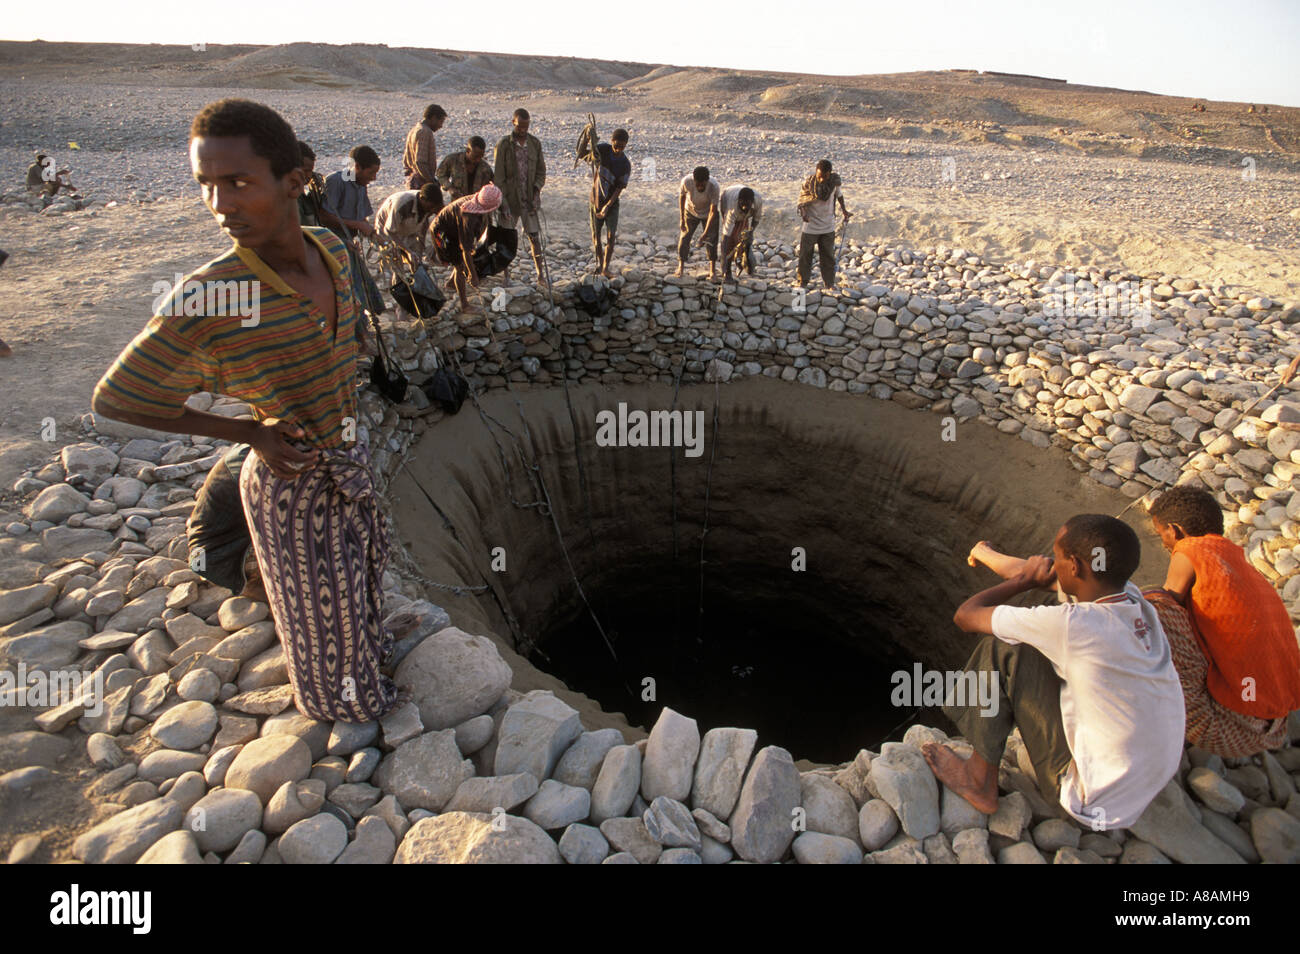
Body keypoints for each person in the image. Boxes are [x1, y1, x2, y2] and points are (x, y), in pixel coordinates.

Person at [91, 98, 406, 723]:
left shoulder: (332, 249)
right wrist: (247, 430)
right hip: (290, 477)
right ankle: (345, 721)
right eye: (206, 186)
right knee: (327, 647)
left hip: (348, 456)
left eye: (238, 182)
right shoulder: (216, 292)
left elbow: (344, 334)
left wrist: (352, 352)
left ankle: (364, 666)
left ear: (294, 183)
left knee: (362, 582)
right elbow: (119, 397)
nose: (220, 205)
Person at [922, 516, 1185, 831]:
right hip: (1139, 786)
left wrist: (1023, 583)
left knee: (1006, 648)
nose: (1050, 563)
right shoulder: (1133, 599)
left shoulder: (1075, 626)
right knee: (1038, 624)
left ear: (1074, 565)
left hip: (1088, 802)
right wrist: (985, 553)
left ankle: (977, 780)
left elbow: (966, 616)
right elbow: (1044, 575)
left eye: (1056, 556)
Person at [1143, 485, 1300, 756]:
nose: (1164, 544)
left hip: (1230, 725)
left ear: (1175, 530)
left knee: (1152, 607)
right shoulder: (1236, 559)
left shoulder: (1189, 549)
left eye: (1162, 535)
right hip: (1273, 718)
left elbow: (1166, 605)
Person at [494, 108, 548, 287]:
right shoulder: (503, 145)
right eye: (520, 127)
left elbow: (541, 172)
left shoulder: (534, 144)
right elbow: (499, 178)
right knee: (506, 239)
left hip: (529, 200)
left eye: (526, 126)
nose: (523, 130)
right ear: (513, 123)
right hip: (509, 200)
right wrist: (504, 204)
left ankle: (540, 275)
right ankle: (506, 276)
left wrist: (536, 191)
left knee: (534, 237)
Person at [430, 183, 501, 314]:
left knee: (464, 260)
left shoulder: (479, 200)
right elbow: (465, 251)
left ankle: (451, 284)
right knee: (459, 265)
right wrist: (473, 275)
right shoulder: (469, 217)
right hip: (442, 232)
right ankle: (465, 305)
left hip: (454, 228)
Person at [796, 159, 850, 289]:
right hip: (810, 226)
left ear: (829, 174)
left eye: (824, 177)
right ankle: (802, 282)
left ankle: (829, 283)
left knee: (828, 256)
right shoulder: (808, 183)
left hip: (828, 226)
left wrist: (844, 211)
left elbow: (839, 196)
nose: (821, 180)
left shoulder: (834, 183)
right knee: (805, 256)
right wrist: (804, 214)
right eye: (819, 176)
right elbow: (802, 201)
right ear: (816, 172)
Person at [589, 128, 631, 278]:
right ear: (612, 141)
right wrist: (590, 141)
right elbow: (586, 156)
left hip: (611, 202)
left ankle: (606, 267)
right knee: (596, 236)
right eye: (616, 145)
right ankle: (600, 265)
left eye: (622, 146)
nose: (618, 149)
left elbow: (619, 188)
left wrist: (607, 207)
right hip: (596, 199)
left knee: (610, 236)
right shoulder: (603, 150)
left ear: (626, 145)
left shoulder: (625, 164)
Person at [322, 145, 380, 246]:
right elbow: (325, 217)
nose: (374, 178)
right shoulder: (336, 181)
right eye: (371, 173)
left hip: (348, 240)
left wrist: (380, 239)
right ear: (357, 167)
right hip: (330, 240)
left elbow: (362, 219)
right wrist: (358, 225)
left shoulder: (361, 185)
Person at [675, 166, 720, 280]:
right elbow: (682, 197)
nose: (700, 186)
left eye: (702, 185)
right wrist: (682, 219)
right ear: (694, 180)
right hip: (690, 211)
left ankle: (712, 269)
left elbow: (713, 211)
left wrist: (705, 234)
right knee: (685, 237)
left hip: (708, 213)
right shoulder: (686, 181)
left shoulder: (714, 186)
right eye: (697, 184)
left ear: (707, 181)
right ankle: (681, 266)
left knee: (711, 240)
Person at [374, 184, 441, 259]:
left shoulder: (431, 202)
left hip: (408, 229)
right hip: (387, 228)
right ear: (422, 199)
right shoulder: (403, 205)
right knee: (392, 257)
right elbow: (389, 231)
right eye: (430, 207)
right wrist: (408, 251)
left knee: (415, 258)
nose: (432, 210)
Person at [719, 185, 762, 282]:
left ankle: (742, 261)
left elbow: (756, 218)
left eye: (747, 205)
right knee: (730, 240)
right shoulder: (732, 208)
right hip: (727, 198)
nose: (744, 207)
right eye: (742, 204)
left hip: (743, 216)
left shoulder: (757, 200)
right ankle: (728, 272)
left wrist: (750, 232)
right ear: (739, 201)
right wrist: (724, 256)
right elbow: (726, 235)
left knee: (744, 239)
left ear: (752, 202)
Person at [403, 103, 447, 196]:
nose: (441, 126)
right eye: (441, 122)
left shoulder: (414, 130)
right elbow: (420, 162)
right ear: (434, 118)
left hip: (412, 178)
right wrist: (431, 182)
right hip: (420, 181)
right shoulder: (425, 132)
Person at [436, 136, 494, 202]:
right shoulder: (453, 160)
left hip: (477, 206)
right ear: (468, 150)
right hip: (458, 203)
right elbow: (440, 174)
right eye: (475, 156)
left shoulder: (485, 168)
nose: (478, 160)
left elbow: (494, 184)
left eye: (481, 156)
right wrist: (450, 188)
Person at [295, 141, 325, 228]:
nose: (309, 175)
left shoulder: (304, 197)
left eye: (311, 171)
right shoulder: (291, 198)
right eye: (306, 171)